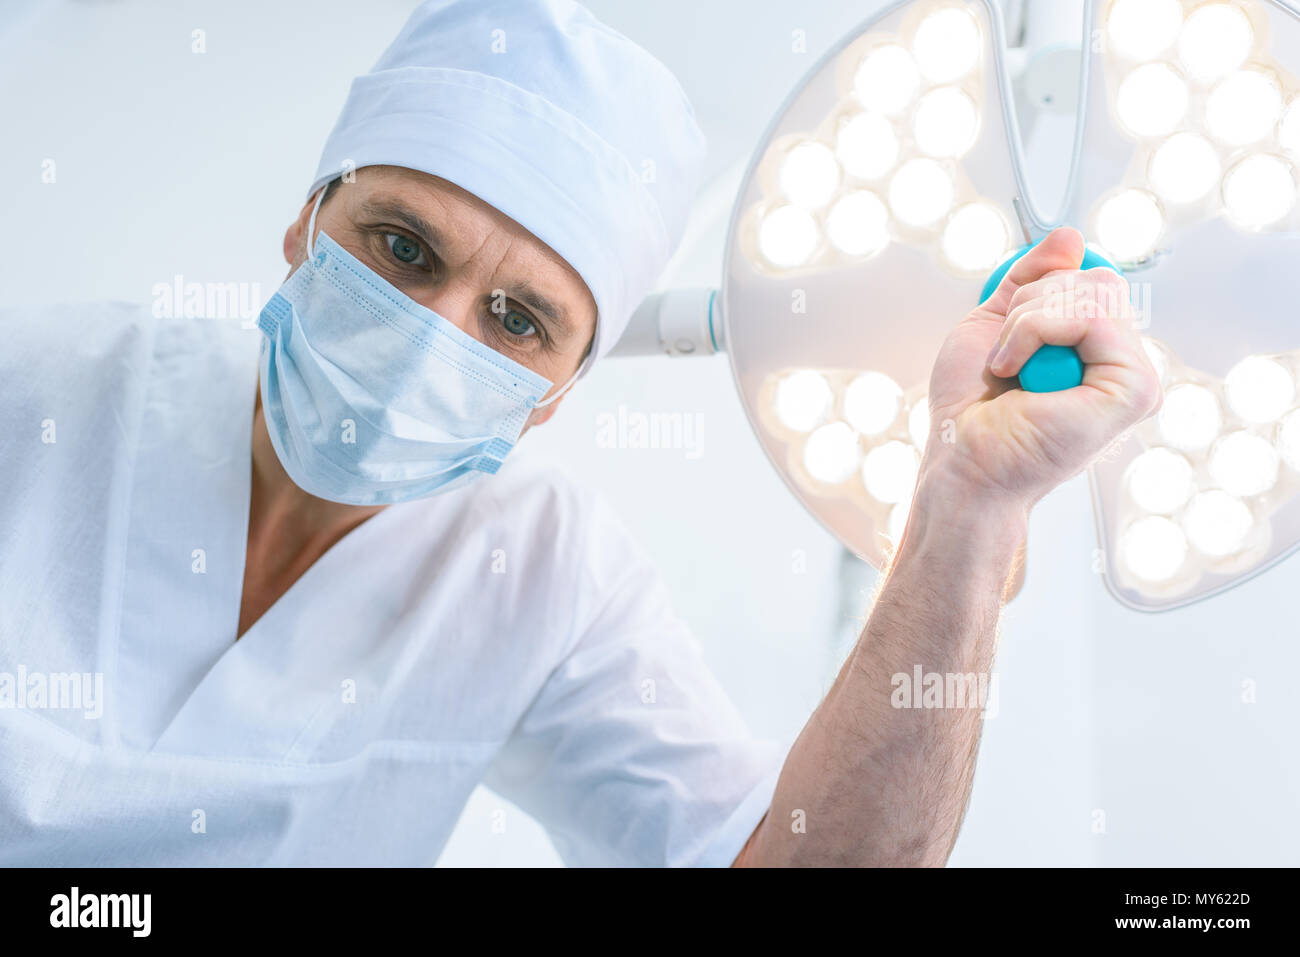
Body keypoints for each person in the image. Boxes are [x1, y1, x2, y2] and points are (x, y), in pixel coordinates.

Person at [0, 0, 1159, 866]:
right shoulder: (42, 391)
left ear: (556, 391)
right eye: (403, 248)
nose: (427, 338)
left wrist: (969, 508)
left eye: (517, 321)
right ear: (306, 224)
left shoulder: (540, 575)